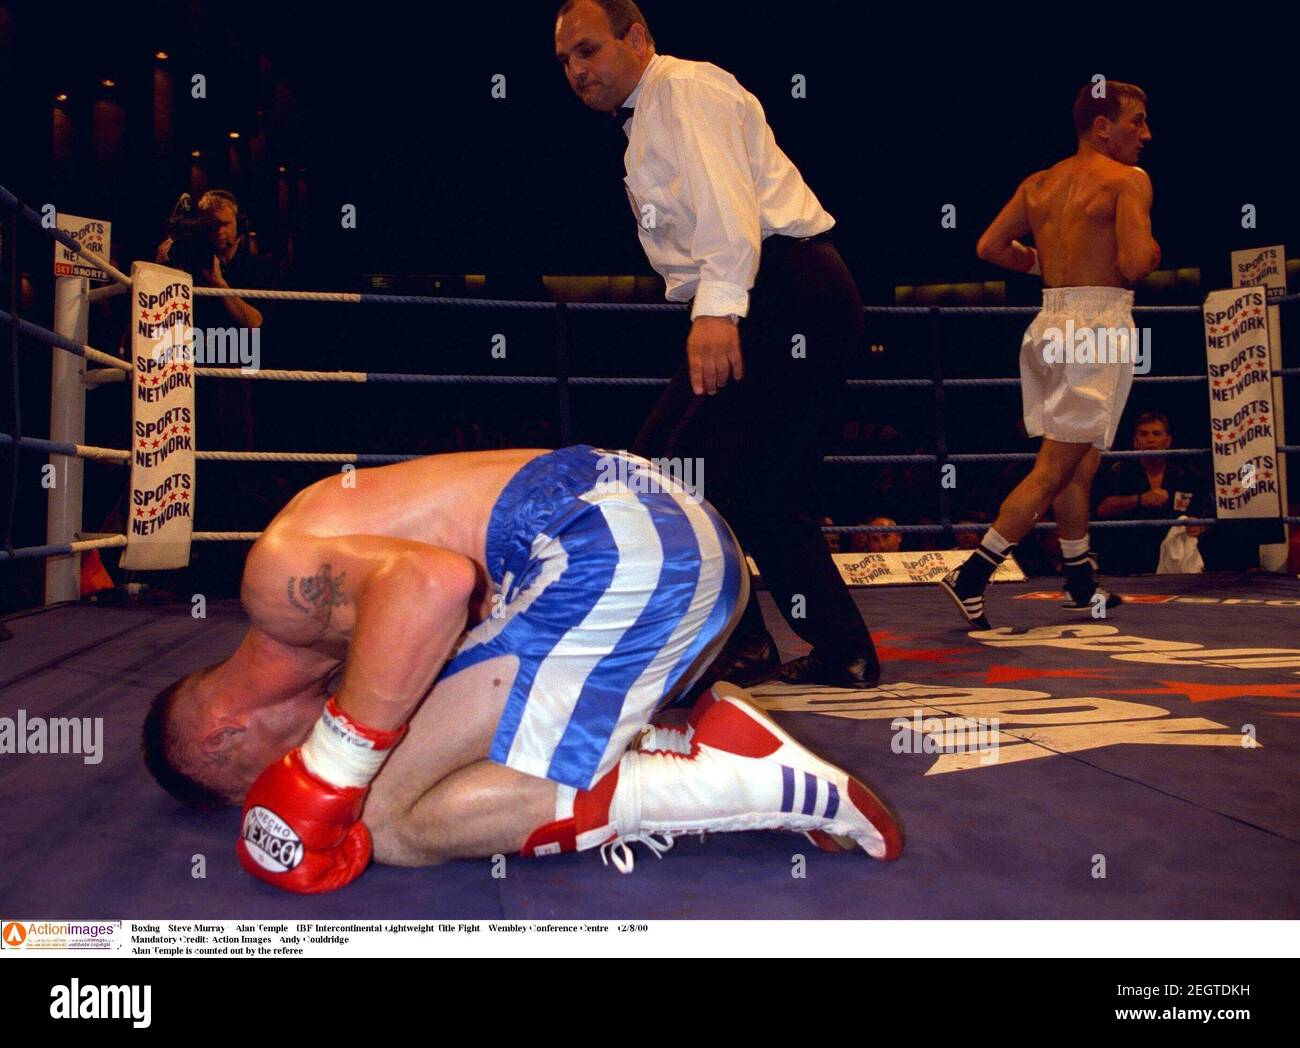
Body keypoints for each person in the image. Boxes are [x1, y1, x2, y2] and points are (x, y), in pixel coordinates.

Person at [142, 448, 901, 893]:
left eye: (263, 773)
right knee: (413, 770)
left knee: (378, 817)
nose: (287, 769)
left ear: (221, 737)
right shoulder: (346, 628)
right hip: (678, 551)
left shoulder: (275, 584)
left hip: (610, 547)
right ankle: (677, 753)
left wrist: (329, 770)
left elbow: (435, 582)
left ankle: (745, 778)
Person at [554, 0, 880, 691]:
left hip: (779, 289)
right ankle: (826, 647)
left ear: (635, 37)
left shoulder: (684, 89)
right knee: (716, 476)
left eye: (588, 51)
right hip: (766, 294)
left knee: (682, 473)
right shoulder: (643, 122)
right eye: (565, 62)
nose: (576, 71)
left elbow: (729, 209)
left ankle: (757, 643)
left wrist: (720, 314)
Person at [938, 80, 1160, 629]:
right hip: (1098, 325)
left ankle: (1080, 577)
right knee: (1054, 467)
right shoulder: (1128, 180)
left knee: (1076, 462)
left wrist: (1052, 264)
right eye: (1137, 122)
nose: (1146, 134)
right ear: (1102, 126)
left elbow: (989, 247)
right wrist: (1147, 249)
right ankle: (973, 571)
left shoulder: (1039, 182)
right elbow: (1135, 263)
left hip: (1047, 324)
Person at [157, 189, 276, 595]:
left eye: (222, 224)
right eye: (208, 225)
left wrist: (218, 283)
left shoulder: (255, 263)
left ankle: (227, 575)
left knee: (231, 470)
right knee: (180, 467)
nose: (216, 232)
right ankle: (174, 570)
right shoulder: (182, 257)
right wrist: (162, 268)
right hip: (182, 373)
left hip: (231, 377)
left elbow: (255, 320)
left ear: (237, 225)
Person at [1094, 411, 1209, 573]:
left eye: (1156, 433)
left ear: (1167, 441)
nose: (1150, 439)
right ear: (1135, 441)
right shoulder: (1118, 471)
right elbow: (1102, 509)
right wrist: (1139, 499)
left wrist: (1198, 526)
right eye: (1144, 434)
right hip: (1126, 556)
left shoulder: (1186, 474)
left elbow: (1204, 511)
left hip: (1172, 558)